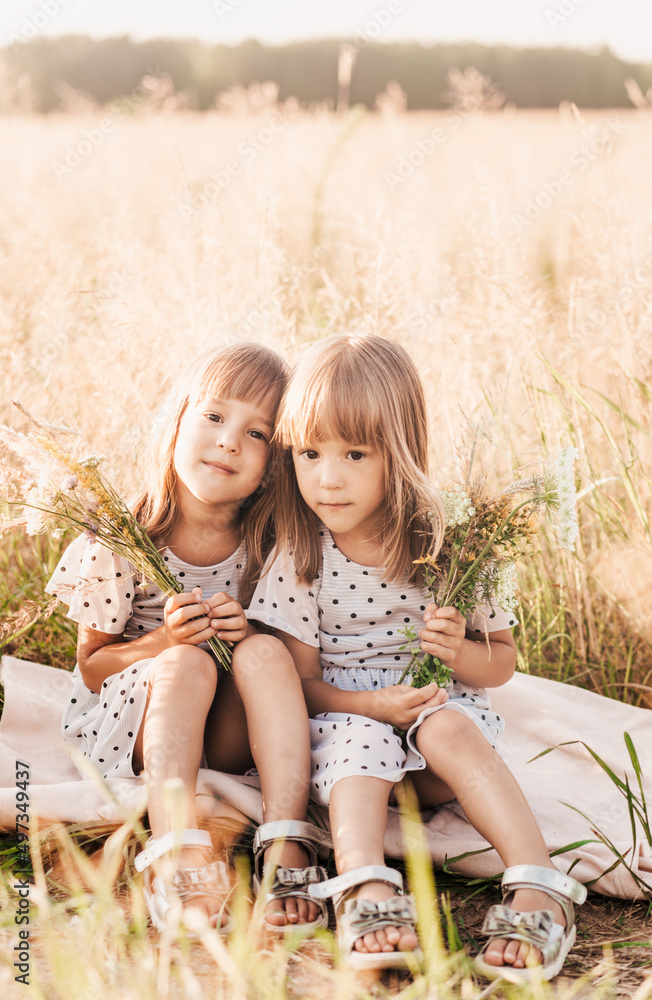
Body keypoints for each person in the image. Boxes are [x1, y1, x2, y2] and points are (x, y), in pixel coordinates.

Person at [246, 333, 586, 977]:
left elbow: (503, 662)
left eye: (354, 452)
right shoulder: (301, 554)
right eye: (310, 453)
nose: (328, 477)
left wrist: (459, 653)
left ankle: (538, 881)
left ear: (398, 450)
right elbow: (299, 688)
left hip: (434, 752)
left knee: (451, 723)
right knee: (357, 742)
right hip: (346, 743)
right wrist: (368, 704)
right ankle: (367, 887)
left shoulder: (452, 544)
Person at [46, 343, 328, 936]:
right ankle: (176, 846)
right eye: (215, 417)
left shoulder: (269, 544)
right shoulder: (123, 538)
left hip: (223, 731)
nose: (229, 441)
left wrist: (247, 630)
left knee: (265, 650)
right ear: (177, 420)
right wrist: (163, 644)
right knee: (188, 665)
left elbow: (280, 660)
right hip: (139, 725)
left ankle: (285, 837)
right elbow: (93, 667)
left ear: (273, 464)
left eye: (257, 434)